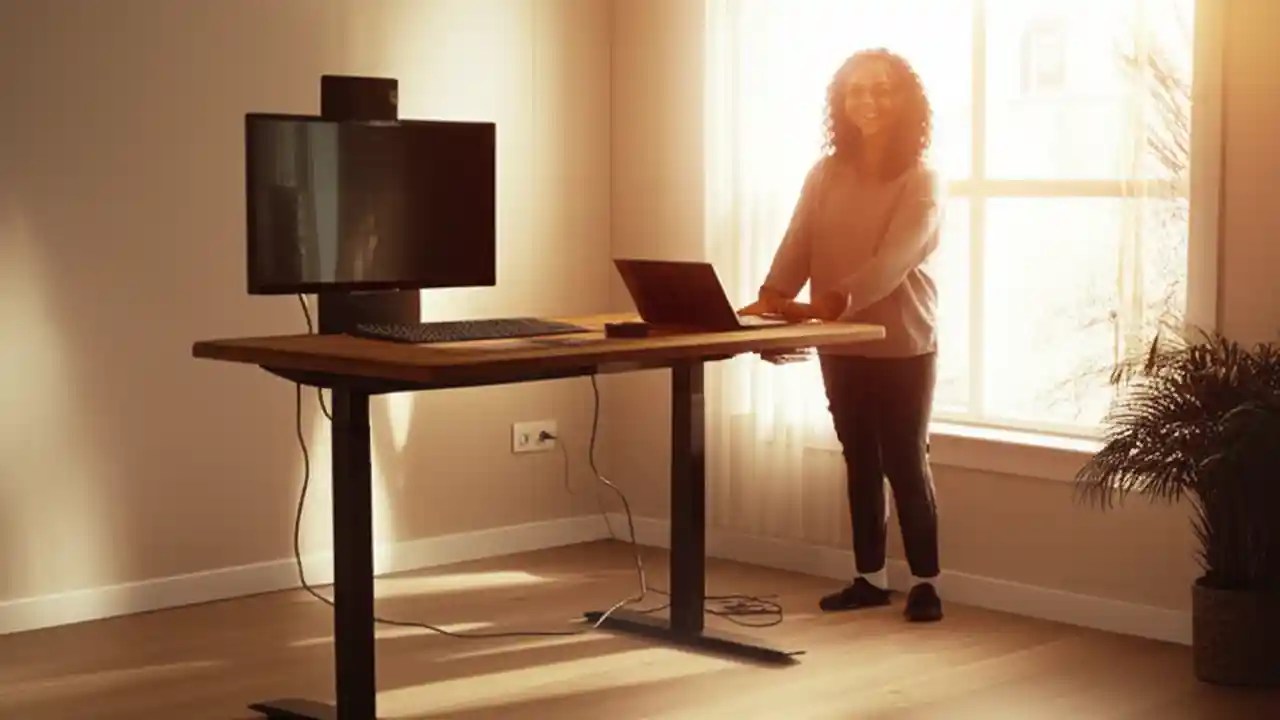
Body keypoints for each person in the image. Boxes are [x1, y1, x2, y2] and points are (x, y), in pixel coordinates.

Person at [739, 48, 944, 622]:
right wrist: (773, 297)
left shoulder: (923, 179)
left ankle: (926, 582)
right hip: (840, 339)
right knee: (859, 458)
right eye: (856, 90)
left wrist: (823, 307)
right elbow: (799, 239)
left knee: (905, 460)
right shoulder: (825, 172)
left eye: (881, 89)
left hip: (902, 341)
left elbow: (892, 261)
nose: (868, 101)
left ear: (905, 101)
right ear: (840, 102)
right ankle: (870, 578)